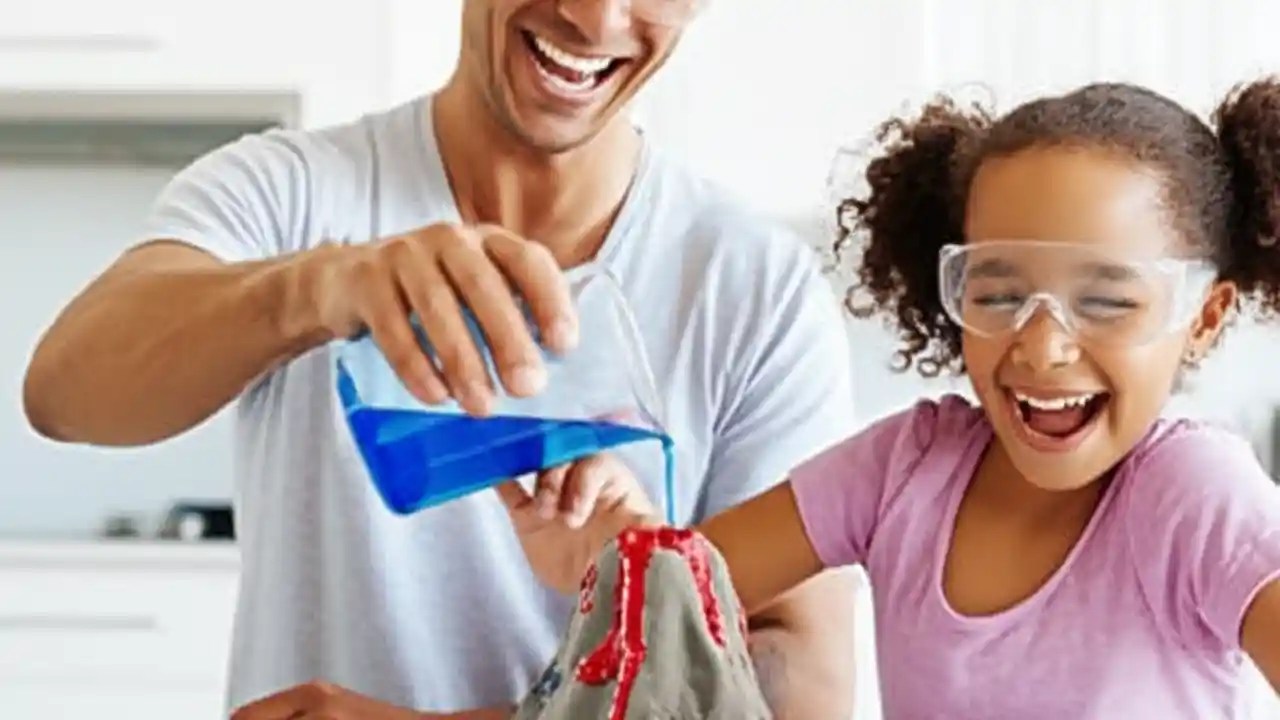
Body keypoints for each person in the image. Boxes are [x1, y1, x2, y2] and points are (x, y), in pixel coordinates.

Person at [20, 1, 861, 718]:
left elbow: (805, 684)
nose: (595, 16)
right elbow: (65, 390)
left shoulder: (754, 286)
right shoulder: (295, 192)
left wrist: (649, 583)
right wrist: (318, 287)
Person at [503, 77, 1280, 718]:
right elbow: (686, 590)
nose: (1042, 348)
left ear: (1204, 317)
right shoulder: (910, 468)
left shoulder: (1192, 494)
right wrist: (613, 545)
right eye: (999, 293)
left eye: (1108, 301)